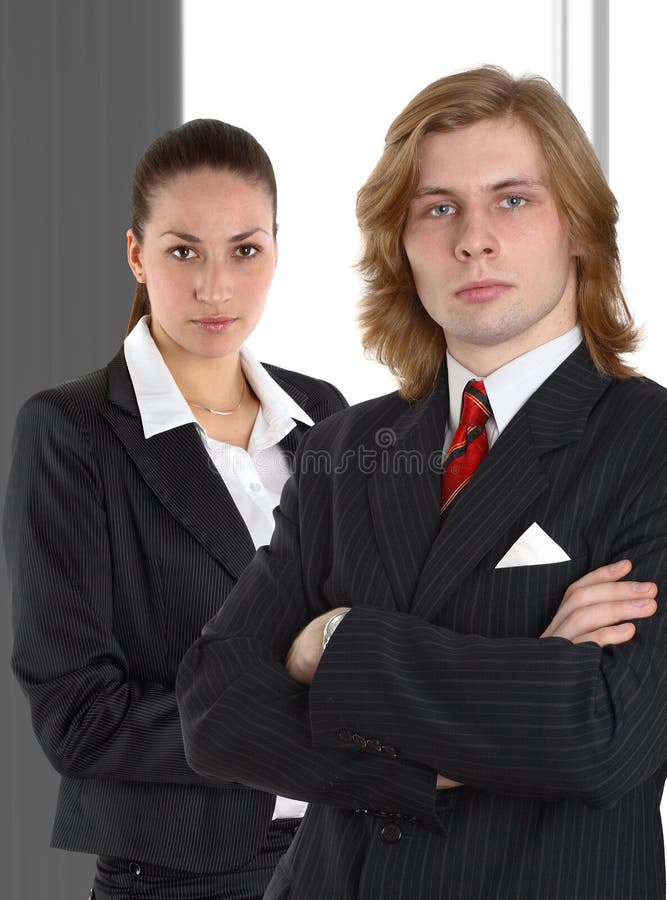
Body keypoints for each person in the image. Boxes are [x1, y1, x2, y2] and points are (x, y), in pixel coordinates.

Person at [175, 67, 667, 899]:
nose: (472, 238)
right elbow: (214, 711)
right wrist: (500, 701)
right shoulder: (343, 448)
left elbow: (599, 734)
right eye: (438, 208)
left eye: (512, 200)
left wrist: (329, 644)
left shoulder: (650, 443)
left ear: (578, 228)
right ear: (400, 246)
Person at [4, 118, 347, 900]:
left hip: (351, 854)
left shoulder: (324, 417)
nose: (215, 287)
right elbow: (80, 720)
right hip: (186, 876)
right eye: (183, 250)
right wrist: (301, 716)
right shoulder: (72, 433)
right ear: (136, 254)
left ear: (276, 251)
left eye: (244, 250)